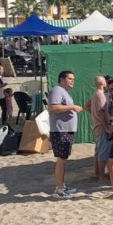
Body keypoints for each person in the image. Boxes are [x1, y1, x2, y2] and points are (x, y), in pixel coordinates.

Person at [47, 70, 82, 198]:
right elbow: (54, 108)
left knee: (63, 159)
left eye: (73, 79)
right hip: (60, 130)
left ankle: (62, 185)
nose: (72, 81)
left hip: (65, 130)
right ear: (62, 79)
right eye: (70, 79)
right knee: (61, 160)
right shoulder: (57, 90)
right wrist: (72, 107)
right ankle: (60, 189)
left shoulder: (64, 92)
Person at [90, 75, 111, 181]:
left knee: (98, 152)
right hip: (101, 128)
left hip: (97, 127)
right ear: (103, 83)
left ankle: (98, 173)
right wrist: (106, 126)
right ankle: (101, 175)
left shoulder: (95, 95)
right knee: (103, 153)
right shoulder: (101, 95)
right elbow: (102, 113)